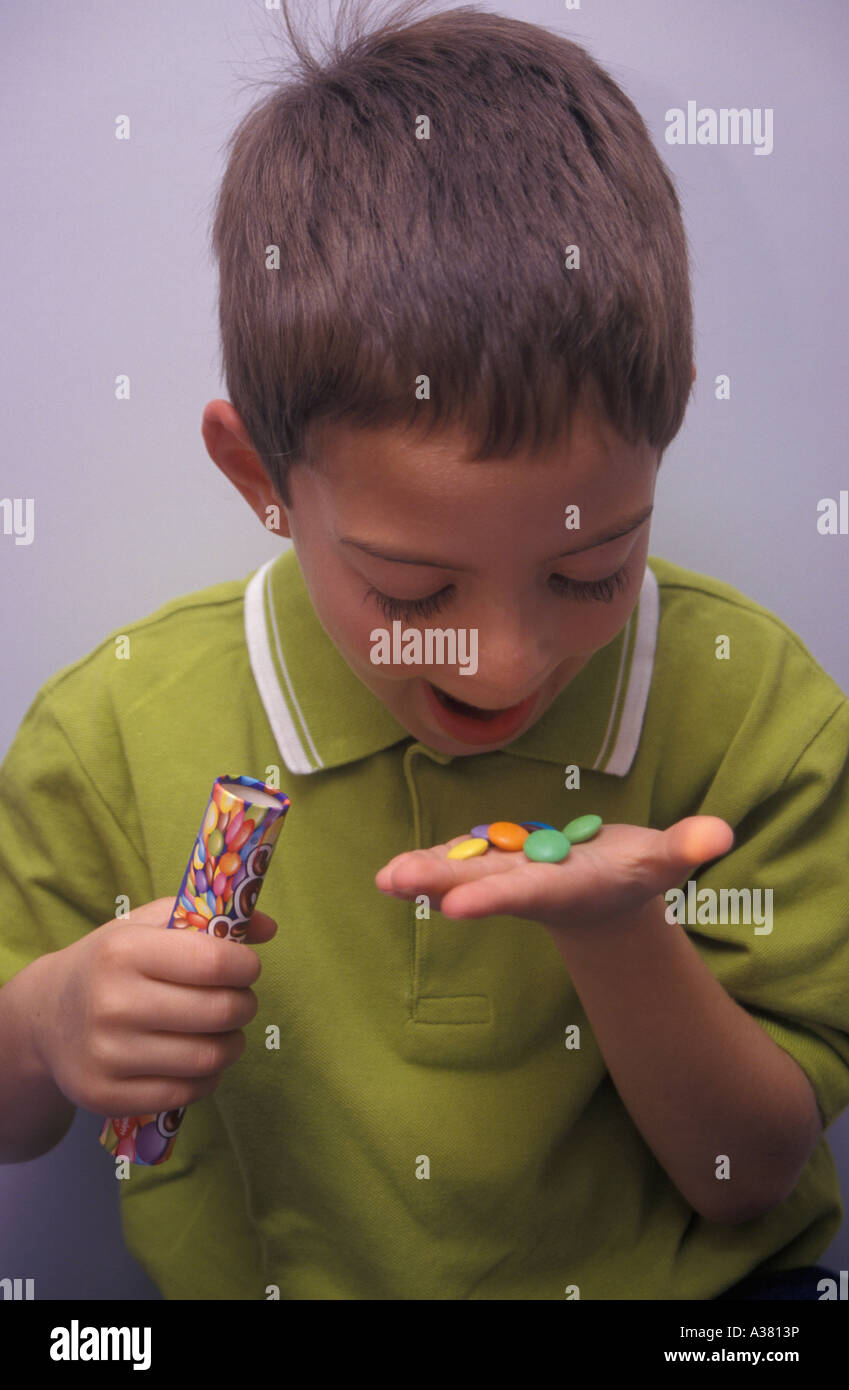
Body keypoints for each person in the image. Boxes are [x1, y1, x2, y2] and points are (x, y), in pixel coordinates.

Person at [0, 0, 847, 1301]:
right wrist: (51, 1019)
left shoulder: (756, 713)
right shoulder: (114, 731)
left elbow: (748, 1171)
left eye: (588, 567)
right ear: (260, 477)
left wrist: (623, 935)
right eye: (409, 585)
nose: (501, 662)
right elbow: (14, 1122)